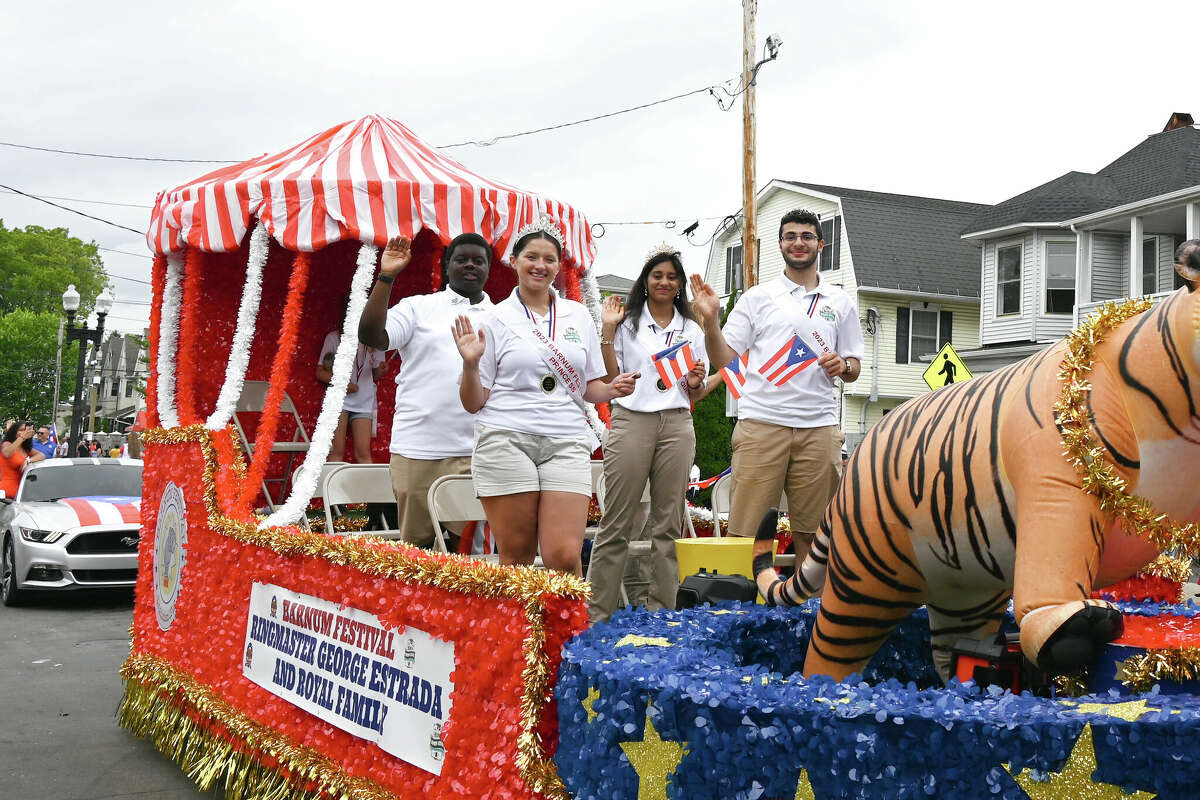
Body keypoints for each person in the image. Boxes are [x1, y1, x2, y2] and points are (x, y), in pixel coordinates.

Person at [454, 218, 638, 574]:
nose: (540, 265)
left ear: (558, 266)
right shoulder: (494, 318)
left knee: (564, 556)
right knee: (517, 557)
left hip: (566, 440)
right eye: (532, 257)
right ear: (514, 261)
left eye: (549, 259)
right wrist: (471, 365)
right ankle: (517, 615)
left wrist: (611, 389)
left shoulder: (578, 315)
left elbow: (588, 387)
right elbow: (473, 402)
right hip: (507, 438)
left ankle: (569, 615)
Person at [690, 208, 865, 570]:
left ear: (821, 244)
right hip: (761, 425)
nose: (798, 243)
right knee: (747, 535)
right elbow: (724, 358)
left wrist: (844, 366)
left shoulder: (840, 301)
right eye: (790, 236)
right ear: (780, 244)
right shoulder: (758, 297)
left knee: (816, 538)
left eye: (807, 236)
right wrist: (711, 322)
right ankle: (744, 605)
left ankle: (810, 605)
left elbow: (854, 366)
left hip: (819, 427)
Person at [587, 244, 708, 621]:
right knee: (616, 521)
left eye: (672, 276)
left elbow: (695, 391)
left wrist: (695, 380)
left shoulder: (691, 328)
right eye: (657, 275)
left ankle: (662, 615)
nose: (664, 282)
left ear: (680, 284)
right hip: (632, 419)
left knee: (668, 524)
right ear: (645, 280)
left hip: (676, 422)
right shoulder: (627, 323)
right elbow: (611, 379)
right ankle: (597, 616)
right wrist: (608, 331)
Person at [358, 232, 495, 548]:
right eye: (461, 259)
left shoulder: (501, 317)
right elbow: (371, 335)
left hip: (477, 451)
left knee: (470, 555)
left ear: (488, 269)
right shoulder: (418, 307)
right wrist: (386, 277)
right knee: (414, 552)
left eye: (478, 260)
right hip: (416, 449)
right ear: (447, 266)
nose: (470, 265)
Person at [317, 298, 386, 464]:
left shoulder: (375, 341)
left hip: (364, 400)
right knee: (336, 451)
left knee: (363, 453)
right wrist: (342, 384)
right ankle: (331, 482)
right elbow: (320, 372)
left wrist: (381, 370)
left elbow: (375, 375)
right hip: (338, 400)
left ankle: (368, 483)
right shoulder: (334, 338)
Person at [2, 421, 46, 499]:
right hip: (6, 493)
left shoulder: (25, 448)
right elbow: (7, 453)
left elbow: (42, 455)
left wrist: (28, 461)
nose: (24, 432)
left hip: (22, 491)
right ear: (14, 431)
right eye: (21, 430)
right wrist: (22, 437)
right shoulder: (6, 444)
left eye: (25, 430)